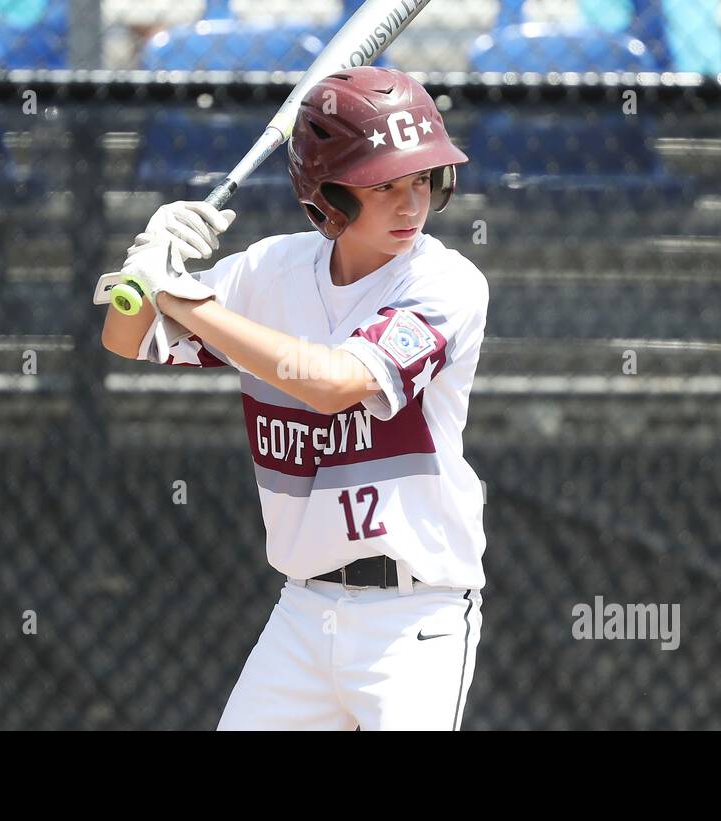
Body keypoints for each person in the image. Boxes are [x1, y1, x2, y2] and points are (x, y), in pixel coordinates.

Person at [101, 67, 489, 730]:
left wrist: (181, 293)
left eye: (422, 179)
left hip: (413, 617)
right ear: (330, 195)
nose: (410, 205)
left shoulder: (446, 283)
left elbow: (334, 383)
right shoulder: (269, 272)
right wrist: (145, 259)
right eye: (384, 185)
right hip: (304, 611)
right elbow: (123, 337)